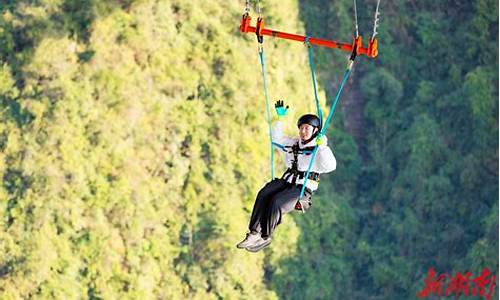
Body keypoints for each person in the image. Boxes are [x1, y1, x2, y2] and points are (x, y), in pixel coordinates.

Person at [237, 100, 337, 252]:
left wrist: (322, 146)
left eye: (307, 128)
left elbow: (330, 166)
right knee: (264, 194)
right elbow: (275, 139)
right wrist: (280, 119)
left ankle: (265, 236)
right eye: (301, 128)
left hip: (302, 189)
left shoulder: (319, 149)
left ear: (315, 131)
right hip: (287, 182)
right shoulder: (293, 143)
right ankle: (254, 233)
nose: (303, 131)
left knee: (277, 202)